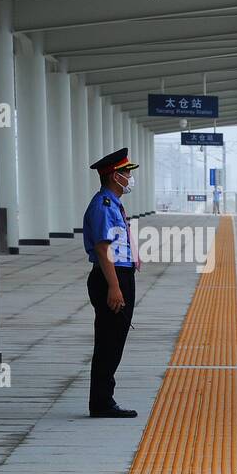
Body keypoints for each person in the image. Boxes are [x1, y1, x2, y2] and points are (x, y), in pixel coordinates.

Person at [82, 147, 140, 419]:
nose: (130, 177)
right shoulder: (103, 206)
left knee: (114, 340)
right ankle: (102, 402)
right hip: (111, 278)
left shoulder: (112, 204)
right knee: (109, 341)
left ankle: (103, 399)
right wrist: (115, 287)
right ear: (115, 176)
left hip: (118, 275)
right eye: (126, 172)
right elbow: (104, 249)